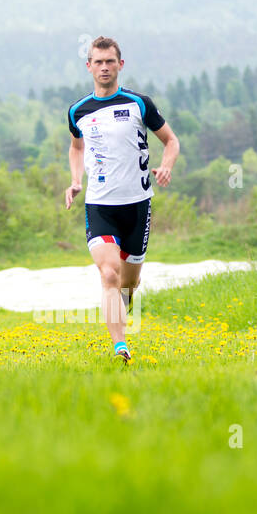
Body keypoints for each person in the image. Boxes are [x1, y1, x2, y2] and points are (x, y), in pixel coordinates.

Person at [64, 36, 180, 362]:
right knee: (109, 274)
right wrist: (75, 181)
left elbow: (171, 141)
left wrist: (166, 166)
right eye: (98, 62)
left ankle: (122, 311)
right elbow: (76, 147)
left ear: (120, 65)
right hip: (100, 206)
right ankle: (120, 347)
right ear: (89, 67)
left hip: (138, 205)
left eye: (109, 61)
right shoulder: (77, 111)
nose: (104, 67)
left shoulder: (139, 104)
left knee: (129, 284)